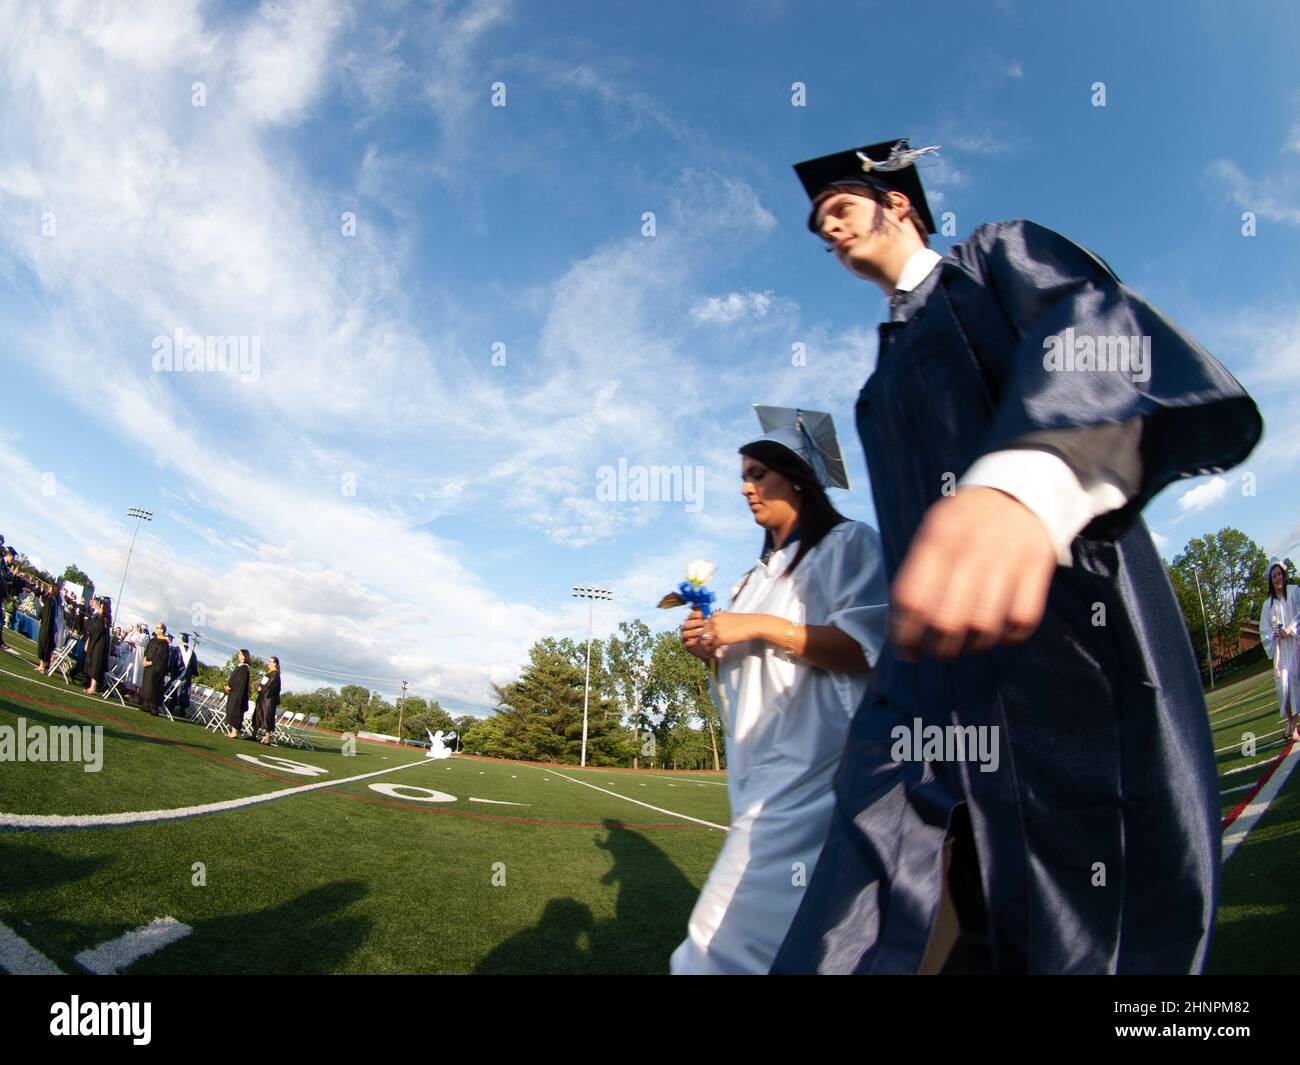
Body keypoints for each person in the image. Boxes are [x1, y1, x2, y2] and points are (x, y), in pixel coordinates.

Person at [772, 139, 1263, 975]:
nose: (828, 227)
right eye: (820, 223)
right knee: (861, 904)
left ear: (900, 204)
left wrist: (1021, 484)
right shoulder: (875, 385)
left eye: (841, 208)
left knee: (1079, 913)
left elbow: (1101, 332)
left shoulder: (991, 263)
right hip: (924, 667)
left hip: (1060, 627)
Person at [670, 407, 888, 975]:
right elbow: (751, 669)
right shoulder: (751, 579)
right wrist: (711, 643)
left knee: (713, 952)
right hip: (755, 774)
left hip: (815, 774)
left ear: (799, 476)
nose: (746, 487)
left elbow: (875, 645)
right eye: (744, 475)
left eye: (759, 473)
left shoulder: (849, 545)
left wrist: (763, 627)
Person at [1259, 559, 1300, 742]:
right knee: (1284, 687)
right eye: (1274, 576)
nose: (1277, 578)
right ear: (1271, 580)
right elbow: (1263, 629)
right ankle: (1291, 723)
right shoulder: (1267, 605)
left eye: (1279, 574)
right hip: (1281, 652)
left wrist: (1290, 628)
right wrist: (1274, 634)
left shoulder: (1294, 591)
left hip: (1296, 646)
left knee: (1297, 684)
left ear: (1283, 574)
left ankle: (1292, 726)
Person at [139, 623, 171, 716]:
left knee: (153, 687)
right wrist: (145, 659)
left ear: (162, 630)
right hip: (147, 666)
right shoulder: (153, 640)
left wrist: (151, 663)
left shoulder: (164, 644)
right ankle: (146, 704)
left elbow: (161, 657)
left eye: (158, 628)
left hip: (156, 668)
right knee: (146, 685)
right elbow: (147, 650)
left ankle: (154, 707)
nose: (156, 629)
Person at [81, 597, 110, 695]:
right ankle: (91, 686)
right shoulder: (100, 618)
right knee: (93, 665)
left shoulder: (102, 619)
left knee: (95, 666)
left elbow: (94, 630)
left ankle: (92, 687)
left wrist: (87, 624)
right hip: (96, 643)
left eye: (101, 607)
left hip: (98, 645)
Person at [34, 581, 63, 674]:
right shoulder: (53, 600)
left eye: (50, 587)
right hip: (49, 625)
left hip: (47, 625)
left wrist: (41, 617)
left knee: (44, 645)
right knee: (45, 645)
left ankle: (42, 666)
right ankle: (42, 665)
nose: (49, 588)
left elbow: (47, 613)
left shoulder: (51, 600)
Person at [252, 656, 282, 744]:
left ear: (274, 663)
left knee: (267, 718)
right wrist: (258, 687)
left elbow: (271, 686)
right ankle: (254, 735)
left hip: (269, 700)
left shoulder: (275, 674)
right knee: (258, 715)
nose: (268, 663)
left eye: (270, 661)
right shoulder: (268, 673)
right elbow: (263, 683)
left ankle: (267, 739)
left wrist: (262, 689)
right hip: (262, 699)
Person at [224, 649, 252, 738]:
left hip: (238, 694)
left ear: (244, 656)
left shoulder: (244, 668)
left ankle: (234, 732)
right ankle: (232, 731)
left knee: (235, 712)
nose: (238, 655)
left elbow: (240, 682)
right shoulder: (240, 667)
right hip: (233, 693)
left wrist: (231, 686)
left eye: (240, 654)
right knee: (232, 711)